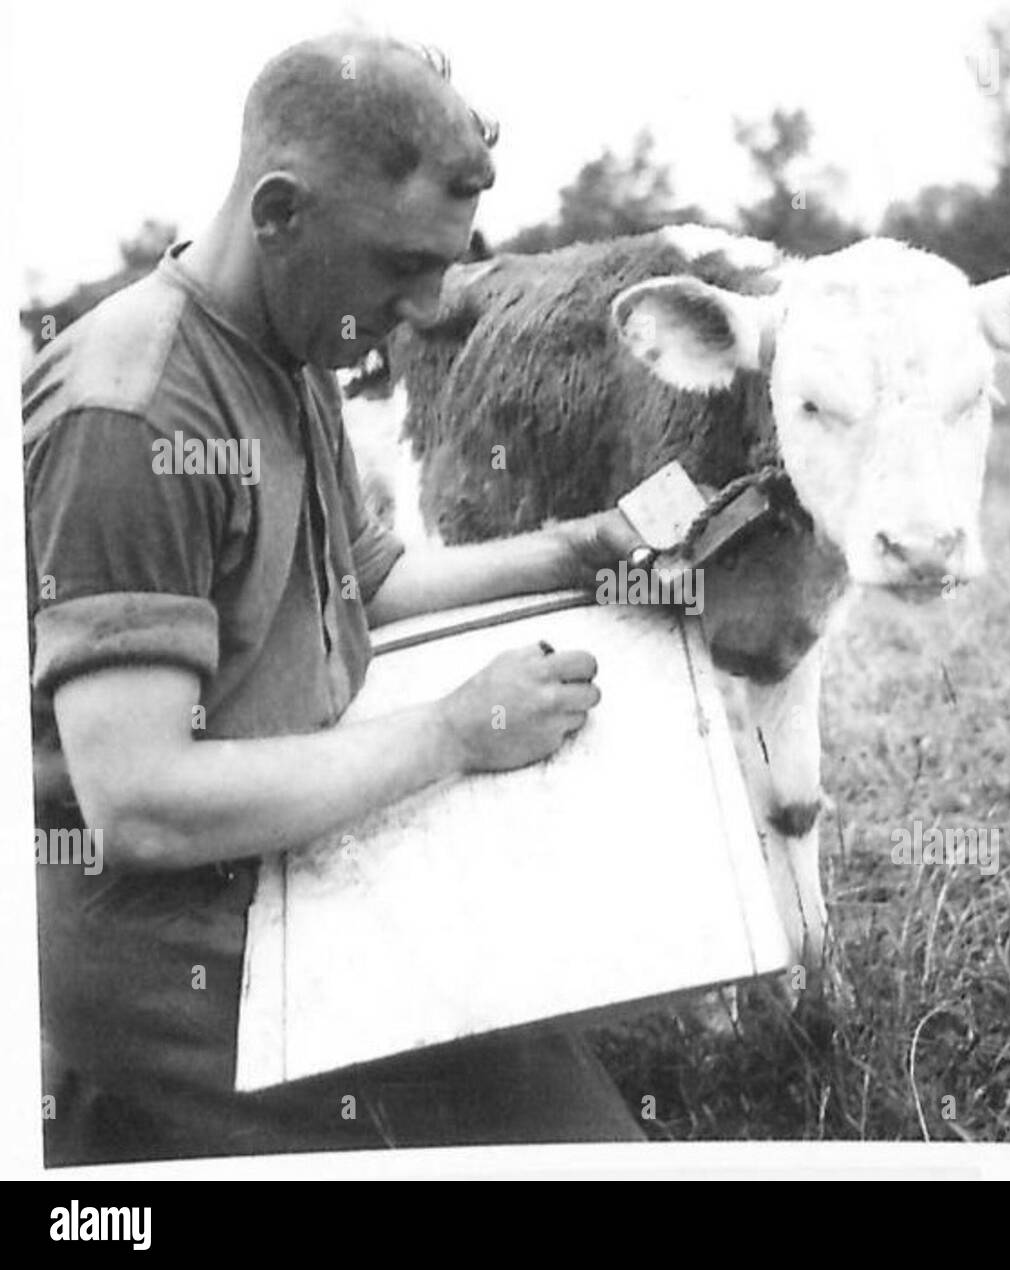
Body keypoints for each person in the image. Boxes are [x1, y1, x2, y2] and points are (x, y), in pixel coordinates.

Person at [24, 32, 647, 1164]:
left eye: (443, 267)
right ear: (277, 213)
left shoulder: (289, 349)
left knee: (556, 1085)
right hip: (170, 948)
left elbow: (370, 580)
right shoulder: (131, 411)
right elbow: (142, 802)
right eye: (398, 263)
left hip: (294, 859)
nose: (422, 308)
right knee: (568, 1158)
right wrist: (458, 733)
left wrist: (577, 551)